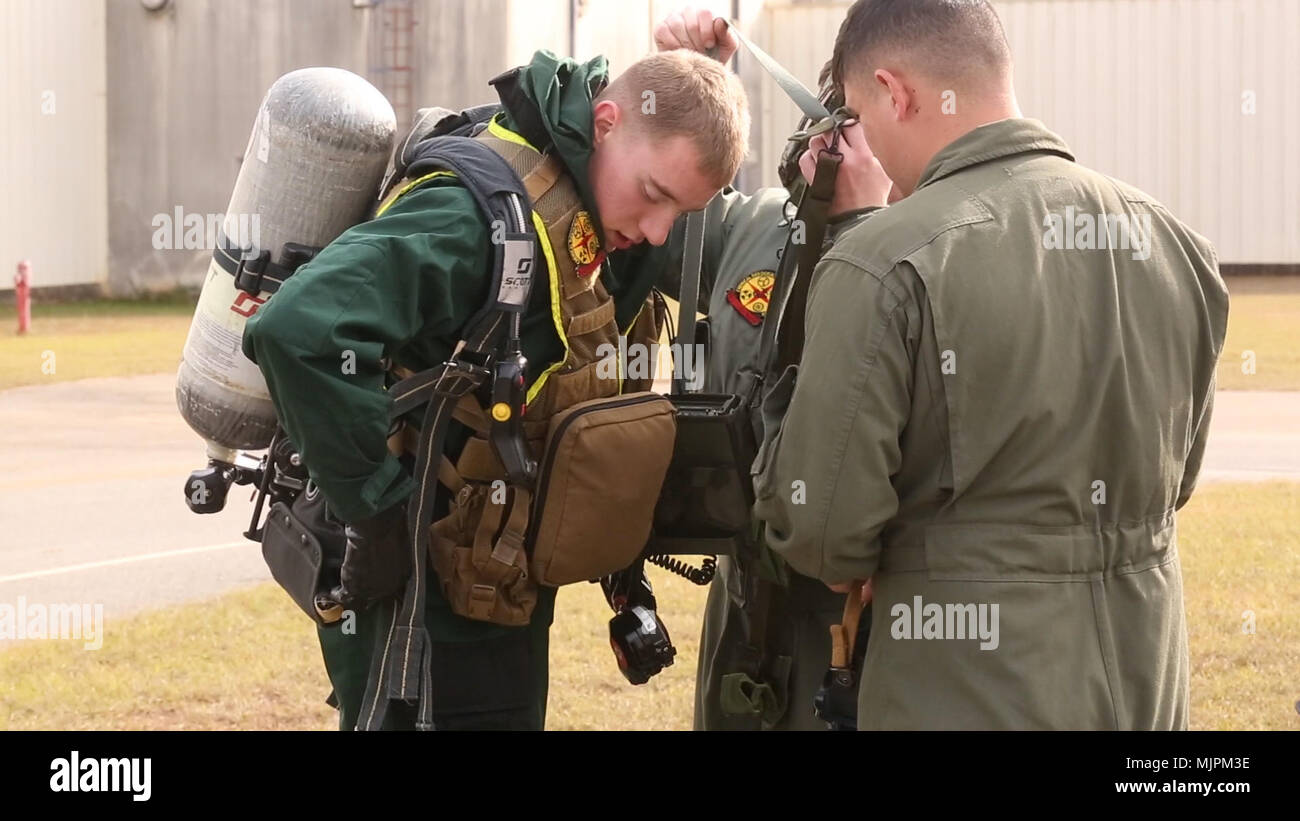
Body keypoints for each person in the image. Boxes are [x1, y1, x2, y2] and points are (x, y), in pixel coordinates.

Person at [752, 0, 1228, 730]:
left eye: (857, 114)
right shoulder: (1178, 247)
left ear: (895, 91)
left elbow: (825, 533)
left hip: (963, 685)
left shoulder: (882, 260)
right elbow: (1176, 481)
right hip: (1146, 683)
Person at [242, 48, 749, 730]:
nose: (659, 230)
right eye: (656, 195)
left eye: (678, 212)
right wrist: (375, 508)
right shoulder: (475, 219)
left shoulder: (606, 216)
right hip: (418, 601)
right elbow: (299, 329)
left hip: (496, 588)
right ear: (603, 122)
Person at [652, 7, 881, 730]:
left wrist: (865, 219)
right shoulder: (750, 226)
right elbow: (656, 220)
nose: (834, 134)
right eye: (832, 110)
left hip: (853, 621)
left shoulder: (928, 252)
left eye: (860, 119)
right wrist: (695, 87)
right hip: (743, 604)